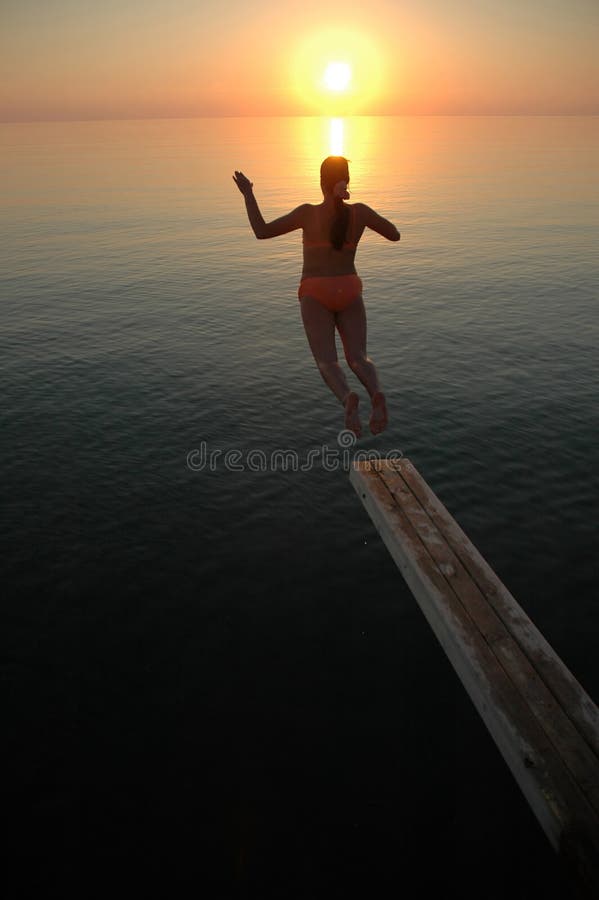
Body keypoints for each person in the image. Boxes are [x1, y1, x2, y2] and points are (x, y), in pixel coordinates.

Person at [232, 156, 400, 437]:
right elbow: (394, 235)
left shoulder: (307, 214)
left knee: (327, 362)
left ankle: (348, 398)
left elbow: (261, 232)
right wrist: (364, 215)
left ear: (321, 182)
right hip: (348, 288)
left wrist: (249, 194)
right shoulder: (360, 213)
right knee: (358, 357)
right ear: (347, 180)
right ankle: (377, 394)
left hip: (315, 292)